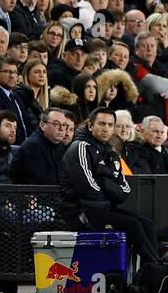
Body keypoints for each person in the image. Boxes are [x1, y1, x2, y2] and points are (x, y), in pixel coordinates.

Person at [59, 108, 160, 264]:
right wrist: (110, 191)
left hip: (104, 209)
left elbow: (125, 189)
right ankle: (157, 268)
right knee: (132, 225)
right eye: (101, 123)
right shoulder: (80, 147)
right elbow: (88, 188)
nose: (106, 128)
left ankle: (153, 271)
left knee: (148, 224)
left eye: (110, 125)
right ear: (91, 126)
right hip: (81, 212)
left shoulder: (110, 152)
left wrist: (106, 186)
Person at [10, 108, 72, 185]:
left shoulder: (60, 146)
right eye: (56, 124)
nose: (61, 129)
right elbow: (42, 182)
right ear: (42, 125)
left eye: (64, 125)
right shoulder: (32, 147)